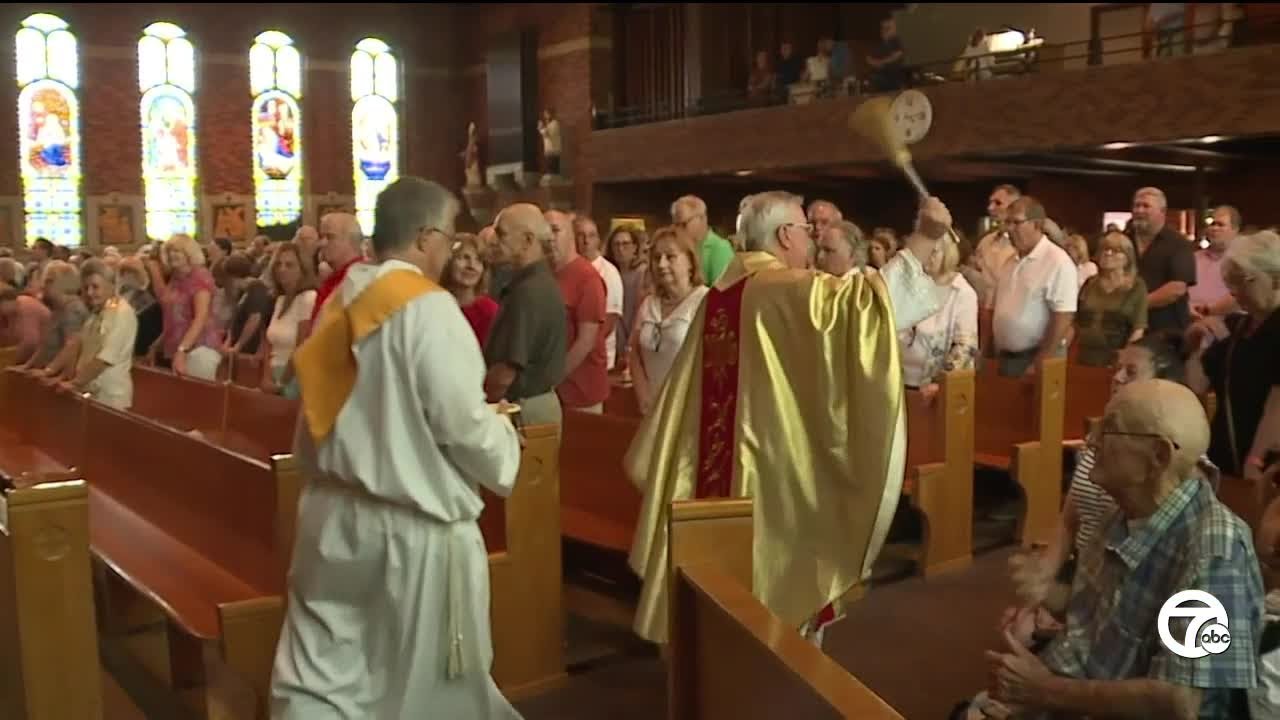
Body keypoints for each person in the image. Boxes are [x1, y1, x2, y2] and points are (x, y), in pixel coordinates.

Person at [625, 190, 952, 647]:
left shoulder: (722, 295)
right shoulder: (782, 288)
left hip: (714, 480)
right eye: (805, 231)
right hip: (767, 480)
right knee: (770, 607)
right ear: (784, 235)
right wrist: (924, 237)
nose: (810, 244)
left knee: (720, 603)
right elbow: (866, 307)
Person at [272, 177, 523, 719]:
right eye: (450, 236)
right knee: (423, 694)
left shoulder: (343, 297)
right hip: (409, 534)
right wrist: (505, 438)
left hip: (332, 521)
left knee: (328, 681)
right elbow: (462, 422)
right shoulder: (428, 309)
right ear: (427, 237)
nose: (453, 249)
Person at [973, 380, 1263, 720]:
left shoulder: (1215, 551)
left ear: (1158, 456)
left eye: (1110, 429)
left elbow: (1181, 702)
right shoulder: (1124, 512)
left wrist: (1044, 690)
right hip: (1072, 693)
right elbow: (1105, 613)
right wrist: (1046, 594)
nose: (1091, 440)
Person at [627, 226, 708, 415]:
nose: (662, 264)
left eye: (670, 257)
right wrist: (644, 396)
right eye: (656, 258)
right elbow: (634, 352)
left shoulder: (705, 302)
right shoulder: (649, 303)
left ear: (690, 262)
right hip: (651, 407)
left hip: (688, 409)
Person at [57, 260, 138, 410]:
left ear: (111, 285)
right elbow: (78, 344)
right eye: (86, 288)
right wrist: (58, 374)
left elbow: (106, 358)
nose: (89, 293)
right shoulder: (97, 312)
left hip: (111, 396)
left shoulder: (121, 313)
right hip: (92, 391)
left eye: (95, 287)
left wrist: (74, 383)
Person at [1072, 231, 1148, 367]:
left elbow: (1138, 330)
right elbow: (1074, 321)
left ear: (1127, 258)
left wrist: (1124, 359)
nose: (1108, 254)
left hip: (1115, 360)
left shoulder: (1137, 287)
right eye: (1105, 249)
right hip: (1082, 356)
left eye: (1115, 251)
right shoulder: (1090, 283)